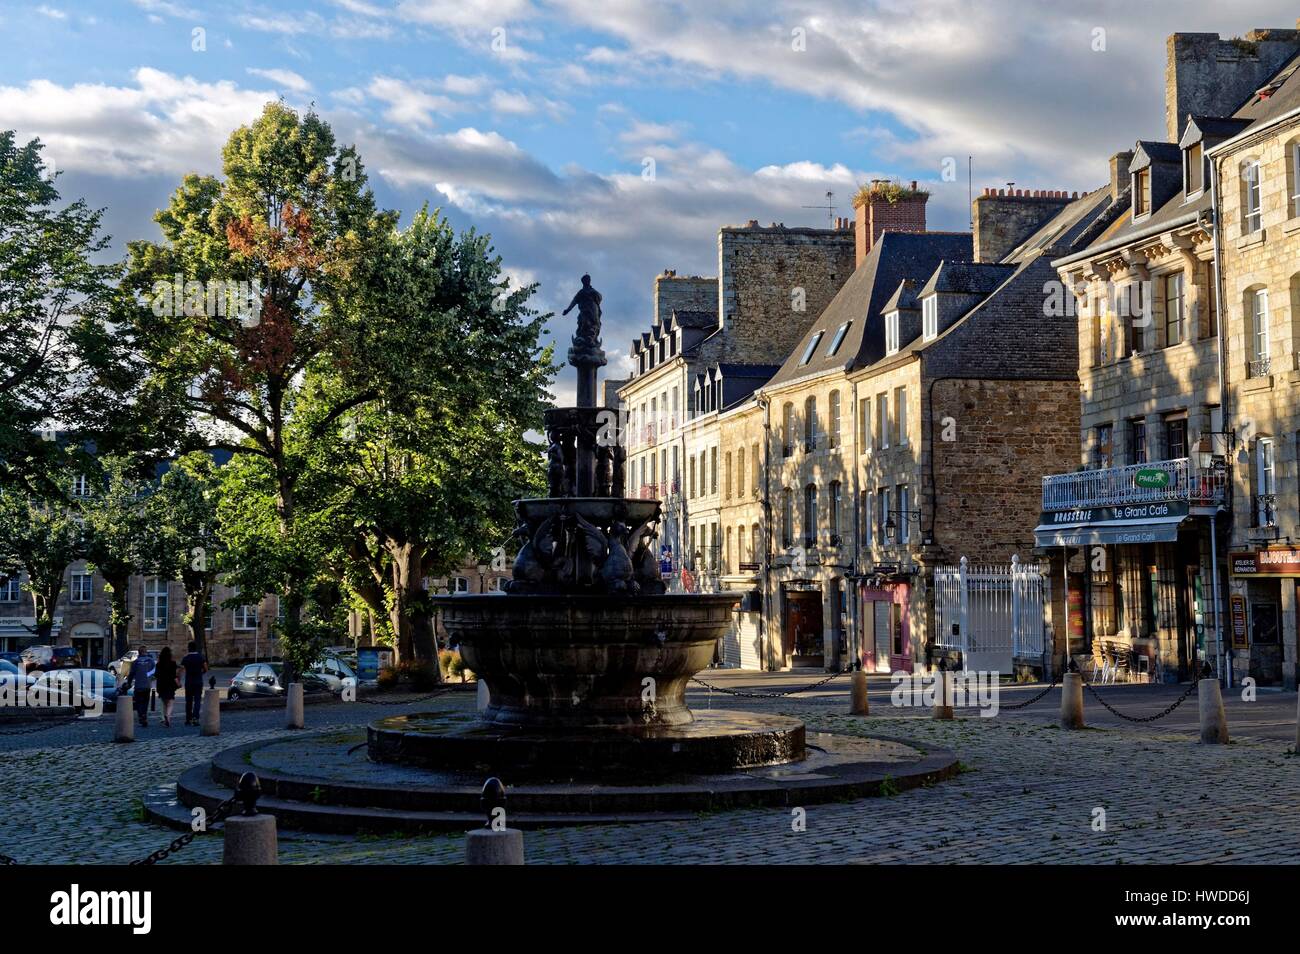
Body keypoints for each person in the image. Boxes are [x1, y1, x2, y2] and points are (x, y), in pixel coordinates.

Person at [124, 646, 155, 728]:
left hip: (138, 685)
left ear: (139, 652)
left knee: (138, 702)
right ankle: (144, 715)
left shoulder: (135, 662)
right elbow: (154, 672)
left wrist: (129, 683)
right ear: (146, 652)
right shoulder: (151, 661)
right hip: (147, 685)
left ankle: (141, 715)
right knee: (145, 702)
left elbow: (131, 674)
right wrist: (149, 677)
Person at [180, 641, 208, 726]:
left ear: (189, 648)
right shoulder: (200, 657)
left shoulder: (186, 658)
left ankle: (188, 719)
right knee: (197, 700)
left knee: (188, 701)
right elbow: (206, 668)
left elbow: (181, 669)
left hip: (189, 682)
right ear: (196, 648)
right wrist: (201, 672)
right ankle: (196, 718)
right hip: (198, 681)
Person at [154, 647, 179, 728]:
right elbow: (174, 676)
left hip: (161, 685)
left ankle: (164, 718)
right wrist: (178, 684)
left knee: (164, 703)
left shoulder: (158, 664)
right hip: (170, 685)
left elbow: (156, 675)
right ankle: (168, 716)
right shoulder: (173, 663)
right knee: (170, 702)